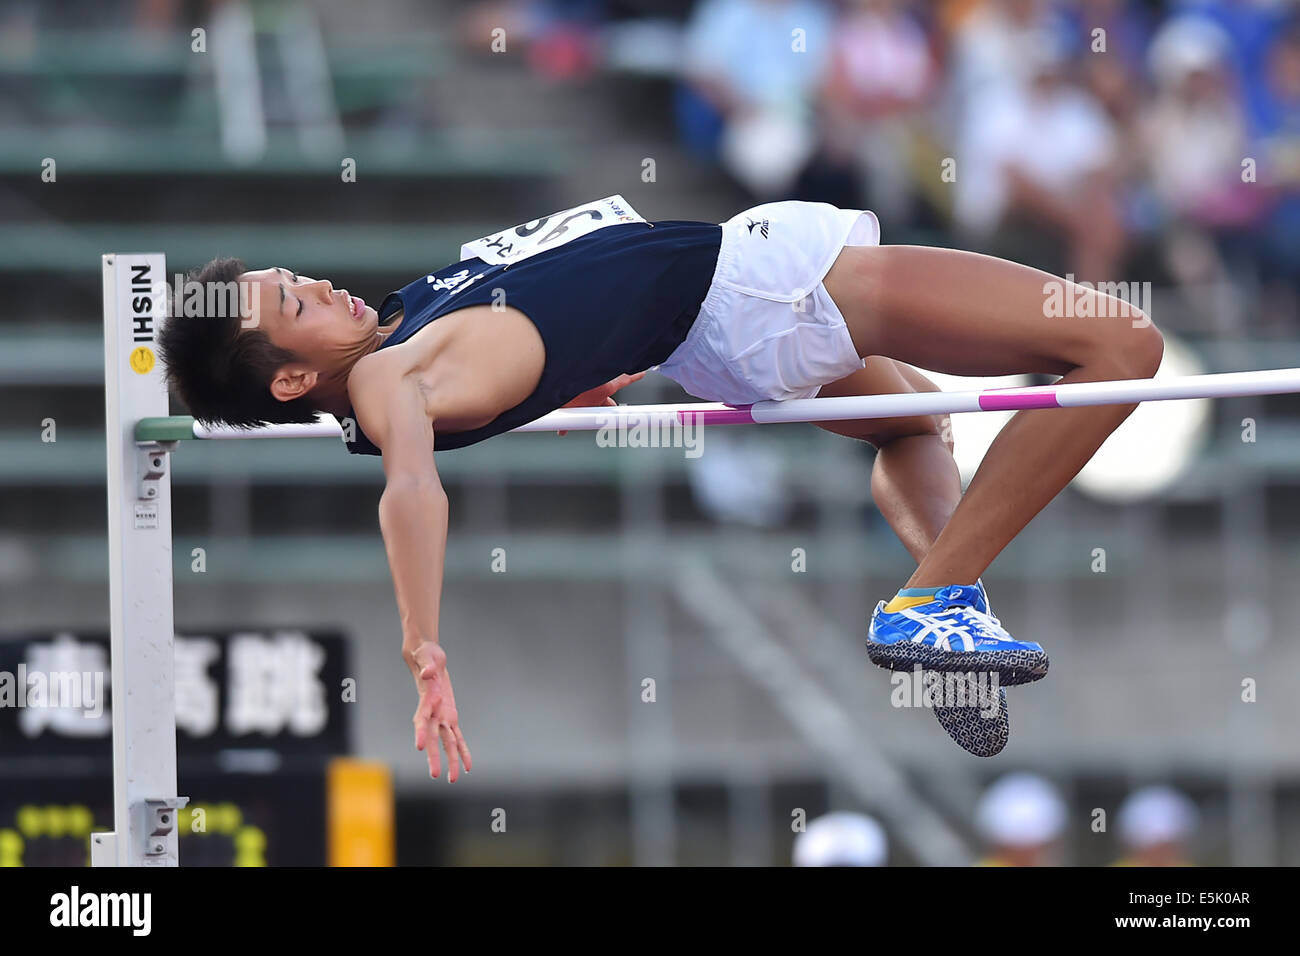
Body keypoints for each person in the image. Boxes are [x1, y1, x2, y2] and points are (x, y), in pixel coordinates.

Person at [159, 195, 1163, 778]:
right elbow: (409, 487)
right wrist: (423, 643)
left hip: (713, 319)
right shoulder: (384, 380)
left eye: (295, 274)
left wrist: (589, 357)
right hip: (753, 290)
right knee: (1120, 342)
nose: (323, 287)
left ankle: (950, 603)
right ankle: (933, 601)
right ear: (293, 377)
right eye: (296, 303)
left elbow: (544, 315)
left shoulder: (401, 319)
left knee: (913, 423)